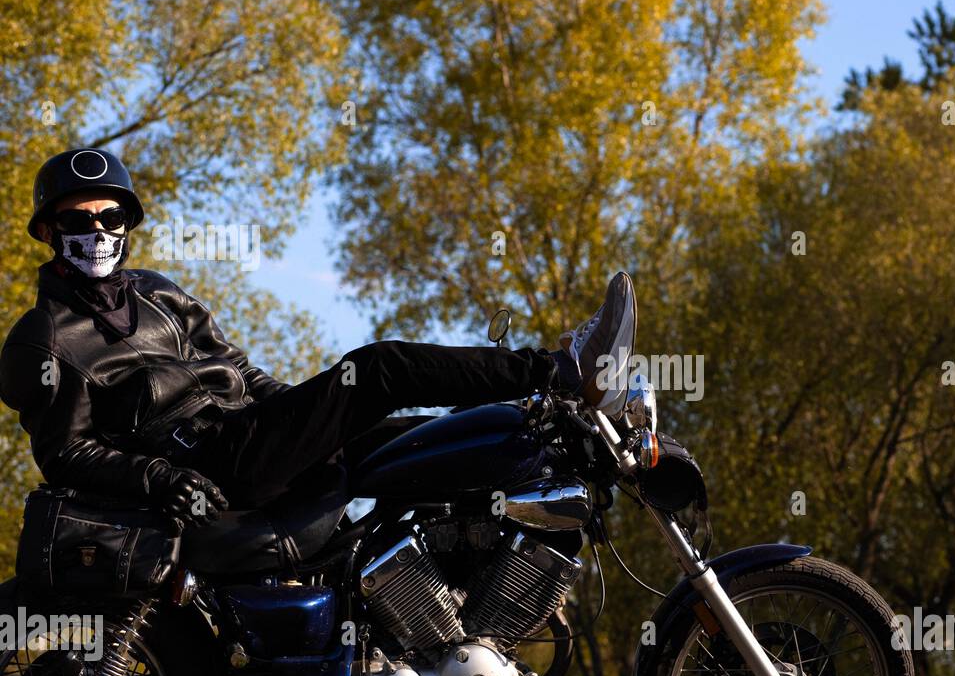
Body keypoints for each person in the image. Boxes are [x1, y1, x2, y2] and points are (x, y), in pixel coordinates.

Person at [0, 147, 636, 527]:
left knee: (454, 440)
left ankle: (571, 427)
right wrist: (160, 479)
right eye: (77, 218)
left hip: (253, 435)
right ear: (50, 230)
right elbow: (67, 454)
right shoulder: (43, 339)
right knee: (380, 368)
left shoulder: (159, 293)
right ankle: (565, 370)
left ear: (127, 224)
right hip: (207, 464)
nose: (96, 228)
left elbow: (239, 371)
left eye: (109, 215)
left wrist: (306, 412)